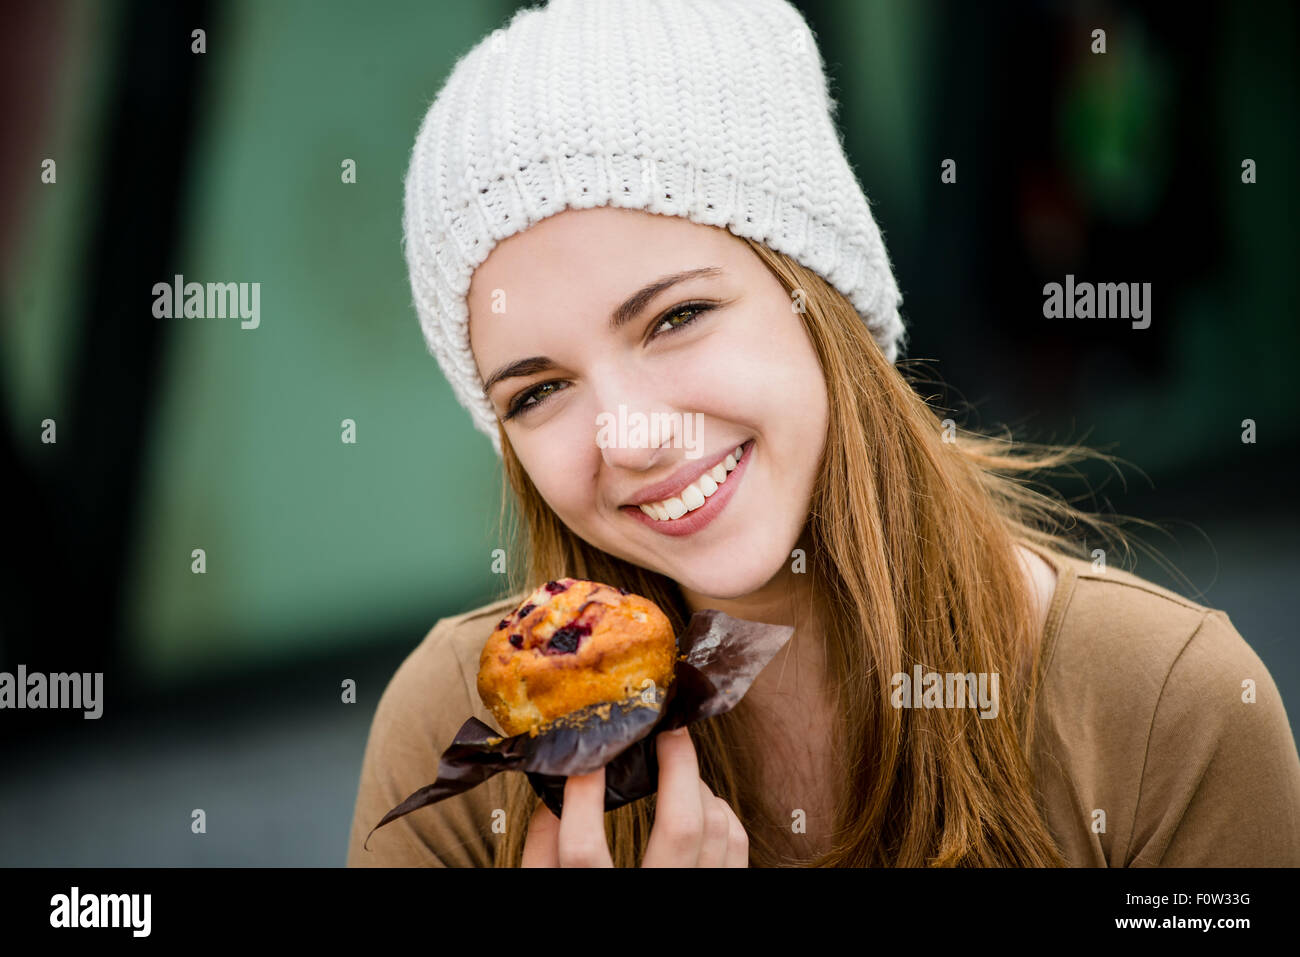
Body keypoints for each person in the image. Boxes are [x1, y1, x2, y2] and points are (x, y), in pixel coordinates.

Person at [347, 0, 1300, 867]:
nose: (628, 438)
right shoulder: (460, 729)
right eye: (539, 390)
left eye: (674, 318)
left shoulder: (1170, 715)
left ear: (820, 298)